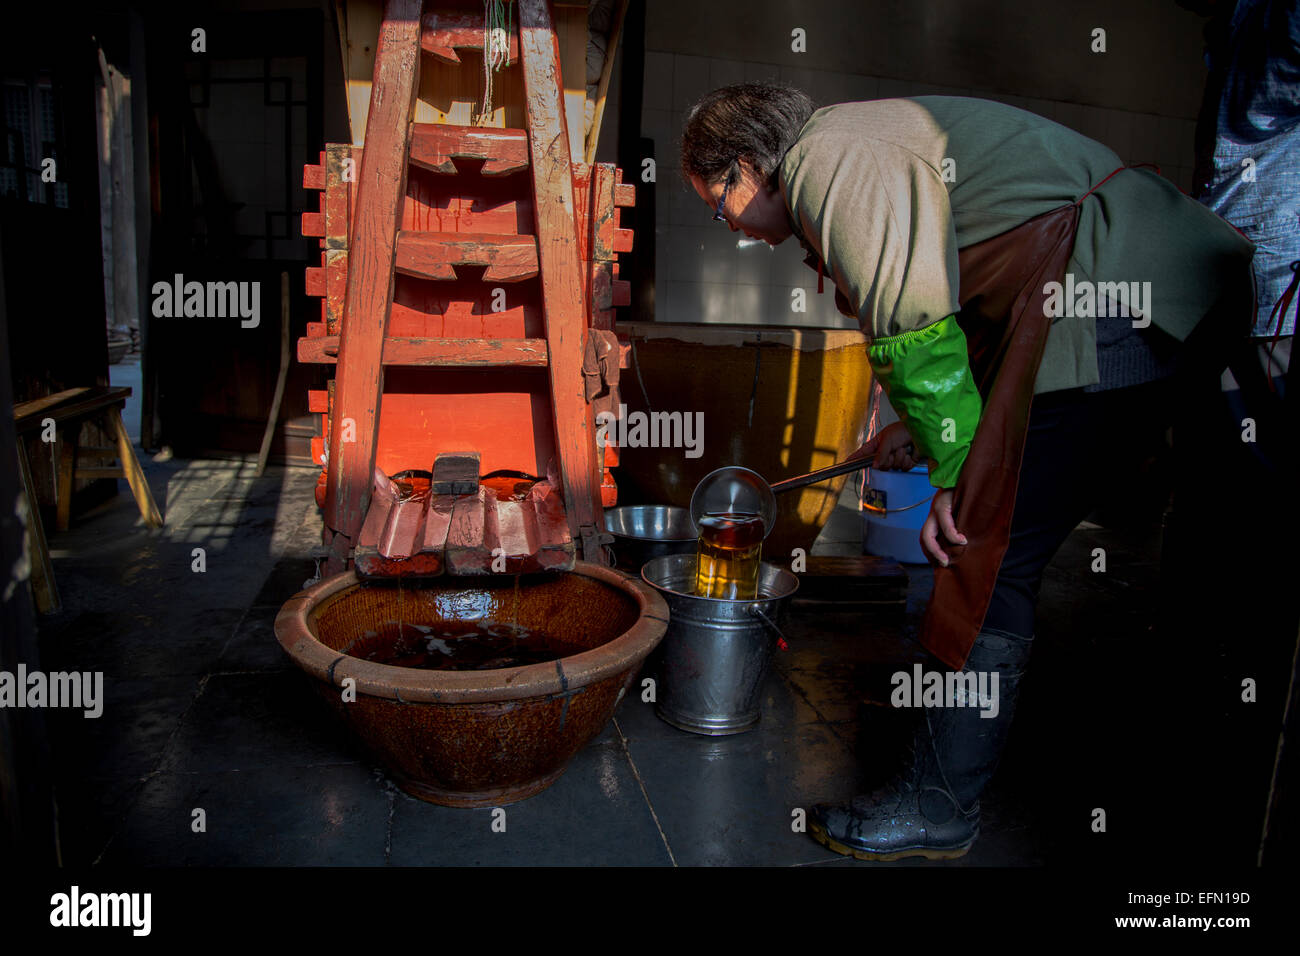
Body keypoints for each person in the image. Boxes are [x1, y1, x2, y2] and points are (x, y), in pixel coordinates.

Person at [680, 84, 1255, 861]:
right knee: (1207, 535)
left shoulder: (827, 159)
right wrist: (920, 438)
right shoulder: (854, 145)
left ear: (746, 165)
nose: (731, 228)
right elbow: (963, 308)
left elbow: (916, 328)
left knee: (976, 547)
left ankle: (936, 804)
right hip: (1157, 284)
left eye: (720, 206)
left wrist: (957, 474)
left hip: (1116, 295)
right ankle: (1211, 746)